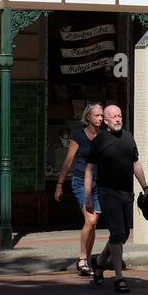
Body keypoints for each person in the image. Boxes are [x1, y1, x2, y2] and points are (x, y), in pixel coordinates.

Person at [83, 104, 148, 293]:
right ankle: (119, 277)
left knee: (124, 233)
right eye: (113, 116)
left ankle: (99, 261)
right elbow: (89, 169)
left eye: (120, 115)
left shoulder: (128, 137)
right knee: (117, 232)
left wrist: (145, 188)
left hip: (126, 192)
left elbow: (135, 163)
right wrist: (88, 197)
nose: (118, 119)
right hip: (107, 192)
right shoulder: (100, 140)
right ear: (105, 121)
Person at [54, 102, 104, 275]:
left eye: (102, 115)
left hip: (99, 183)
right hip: (81, 181)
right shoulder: (78, 135)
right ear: (88, 117)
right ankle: (82, 258)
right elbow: (68, 161)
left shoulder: (104, 137)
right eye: (97, 115)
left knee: (94, 223)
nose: (100, 118)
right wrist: (59, 184)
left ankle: (87, 262)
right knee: (90, 220)